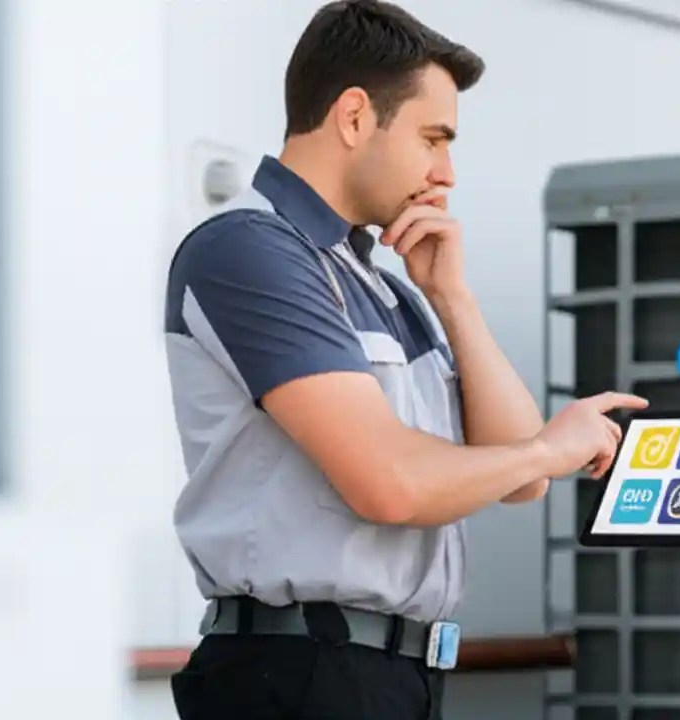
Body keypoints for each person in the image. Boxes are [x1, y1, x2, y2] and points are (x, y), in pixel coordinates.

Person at [161, 1, 648, 718]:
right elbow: (390, 483)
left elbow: (517, 475)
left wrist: (455, 300)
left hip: (388, 677)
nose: (445, 172)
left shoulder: (389, 285)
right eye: (433, 139)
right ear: (355, 117)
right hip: (300, 677)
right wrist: (549, 448)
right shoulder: (251, 250)